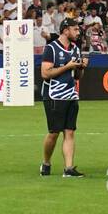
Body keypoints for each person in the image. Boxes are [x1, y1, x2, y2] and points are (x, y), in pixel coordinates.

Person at [40, 18, 88, 178]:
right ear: (66, 30)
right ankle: (46, 162)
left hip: (71, 94)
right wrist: (67, 66)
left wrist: (81, 67)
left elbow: (78, 76)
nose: (78, 32)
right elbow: (45, 73)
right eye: (75, 29)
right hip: (54, 95)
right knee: (54, 133)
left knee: (70, 132)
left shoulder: (76, 49)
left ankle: (68, 168)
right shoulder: (51, 48)